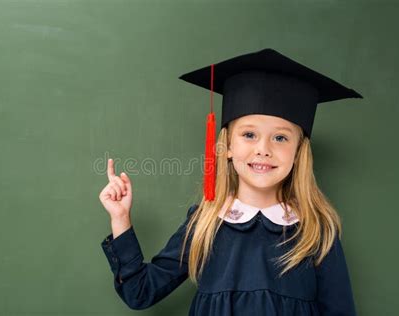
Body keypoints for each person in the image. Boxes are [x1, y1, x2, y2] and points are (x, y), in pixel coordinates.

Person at [99, 48, 362, 315]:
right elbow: (139, 291)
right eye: (249, 134)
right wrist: (121, 219)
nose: (263, 149)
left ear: (298, 153)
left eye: (280, 138)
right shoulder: (206, 222)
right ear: (227, 147)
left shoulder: (316, 229)